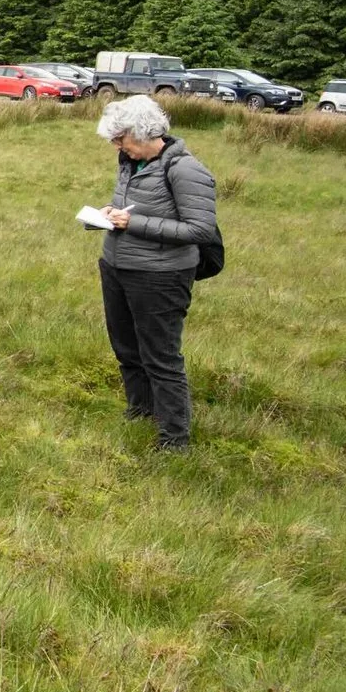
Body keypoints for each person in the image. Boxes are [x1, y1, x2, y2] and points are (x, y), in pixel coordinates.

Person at [91, 95, 218, 451]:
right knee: (126, 348)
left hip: (160, 276)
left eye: (121, 139)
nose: (117, 147)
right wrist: (110, 214)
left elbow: (200, 230)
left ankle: (174, 438)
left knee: (161, 356)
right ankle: (140, 412)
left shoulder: (186, 169)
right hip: (118, 267)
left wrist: (134, 222)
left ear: (143, 132)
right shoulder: (130, 162)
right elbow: (135, 207)